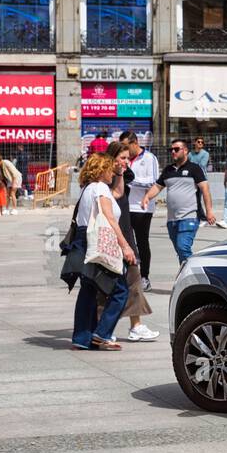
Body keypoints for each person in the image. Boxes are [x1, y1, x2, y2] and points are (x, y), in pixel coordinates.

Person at [71, 153, 135, 351]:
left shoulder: (87, 189)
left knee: (88, 289)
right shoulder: (100, 187)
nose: (112, 172)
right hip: (99, 242)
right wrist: (125, 245)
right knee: (121, 289)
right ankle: (102, 333)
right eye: (109, 168)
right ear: (101, 170)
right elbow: (109, 217)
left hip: (83, 241)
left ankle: (82, 337)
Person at [104, 142, 158, 343]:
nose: (127, 162)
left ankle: (136, 326)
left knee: (134, 278)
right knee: (107, 286)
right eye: (123, 158)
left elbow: (126, 185)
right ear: (112, 158)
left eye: (128, 158)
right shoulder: (103, 180)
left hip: (126, 233)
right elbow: (116, 194)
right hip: (111, 236)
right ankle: (103, 329)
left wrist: (121, 170)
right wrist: (116, 172)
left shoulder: (126, 175)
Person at [141, 138, 215, 266]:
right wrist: (147, 197)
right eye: (171, 150)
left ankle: (194, 274)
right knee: (180, 251)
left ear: (185, 151)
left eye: (176, 149)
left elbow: (205, 189)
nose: (173, 152)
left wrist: (209, 211)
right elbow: (157, 187)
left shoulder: (194, 169)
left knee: (183, 248)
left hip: (190, 216)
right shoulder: (168, 170)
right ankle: (185, 276)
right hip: (172, 220)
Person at [128, 136, 158, 292]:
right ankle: (129, 276)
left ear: (135, 143)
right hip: (125, 206)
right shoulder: (125, 158)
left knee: (142, 242)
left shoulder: (149, 158)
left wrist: (130, 180)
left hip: (142, 208)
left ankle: (145, 276)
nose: (126, 150)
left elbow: (153, 181)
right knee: (126, 242)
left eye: (127, 146)